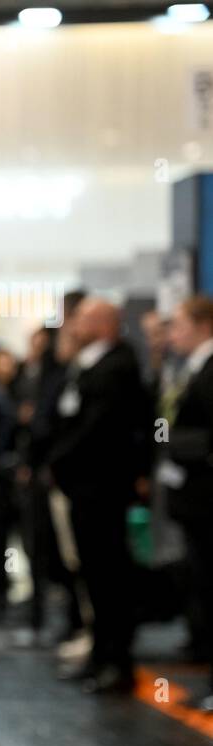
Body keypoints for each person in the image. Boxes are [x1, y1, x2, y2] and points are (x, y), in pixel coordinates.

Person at [47, 298, 151, 694]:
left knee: (110, 575)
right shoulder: (85, 364)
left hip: (103, 486)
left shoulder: (118, 366)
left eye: (86, 319)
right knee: (92, 573)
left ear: (108, 324)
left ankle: (116, 660)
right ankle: (100, 654)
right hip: (82, 485)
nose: (75, 325)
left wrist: (60, 458)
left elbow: (97, 428)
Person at [163, 295, 213, 712]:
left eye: (177, 323)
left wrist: (180, 446)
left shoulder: (208, 368)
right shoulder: (190, 367)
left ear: (201, 324)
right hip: (193, 500)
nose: (171, 333)